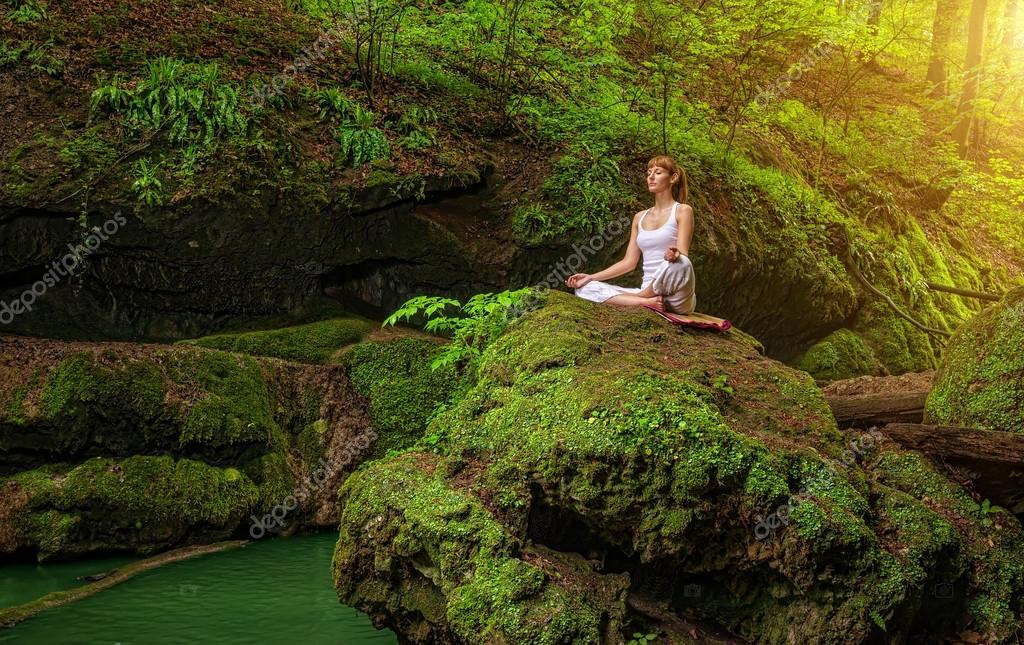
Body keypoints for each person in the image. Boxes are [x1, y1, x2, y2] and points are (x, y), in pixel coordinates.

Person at [565, 155, 697, 314]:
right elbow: (629, 262)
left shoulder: (683, 211)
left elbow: (683, 252)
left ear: (673, 178)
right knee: (584, 289)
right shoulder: (639, 218)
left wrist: (674, 254)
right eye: (648, 173)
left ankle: (642, 296)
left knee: (683, 262)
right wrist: (591, 277)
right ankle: (644, 302)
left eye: (658, 172)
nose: (651, 177)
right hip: (648, 293)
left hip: (676, 295)